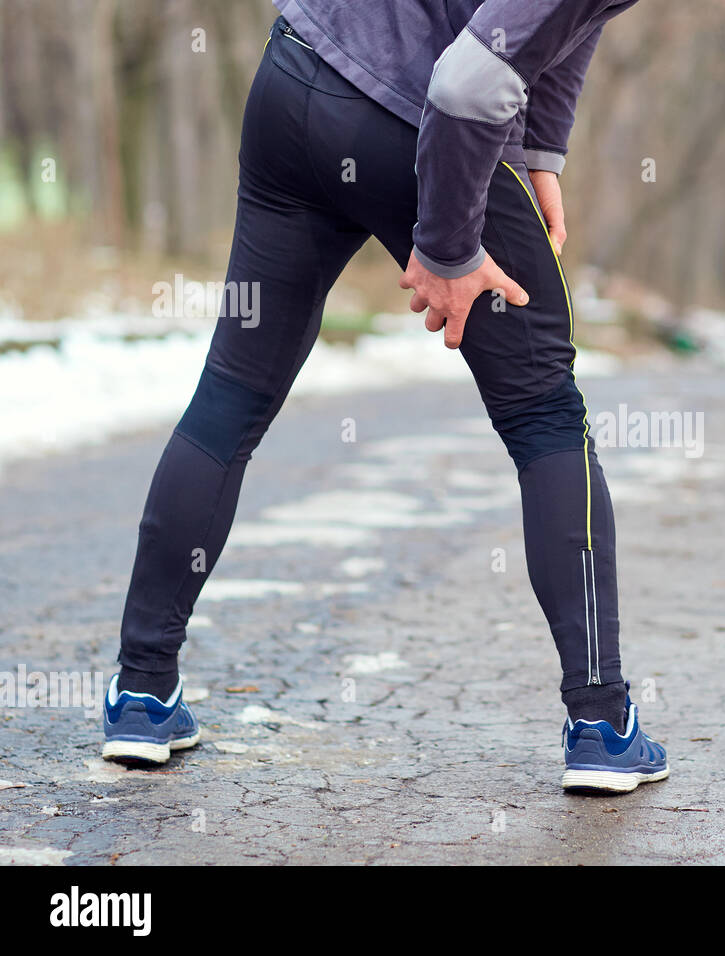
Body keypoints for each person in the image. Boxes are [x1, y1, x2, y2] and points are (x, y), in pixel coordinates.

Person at [101, 0, 668, 794]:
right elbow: (469, 86)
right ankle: (603, 724)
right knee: (544, 415)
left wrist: (540, 150)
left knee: (231, 390)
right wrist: (447, 243)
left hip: (297, 76)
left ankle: (141, 691)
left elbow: (566, 21)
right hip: (417, 118)